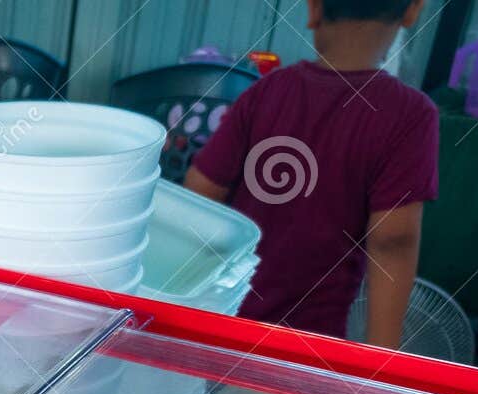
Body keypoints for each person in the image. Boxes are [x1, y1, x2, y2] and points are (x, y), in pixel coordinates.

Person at [185, 0, 438, 348]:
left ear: (314, 9)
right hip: (308, 347)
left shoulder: (264, 92)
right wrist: (383, 365)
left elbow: (198, 194)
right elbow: (393, 240)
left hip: (222, 324)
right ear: (413, 11)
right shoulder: (410, 115)